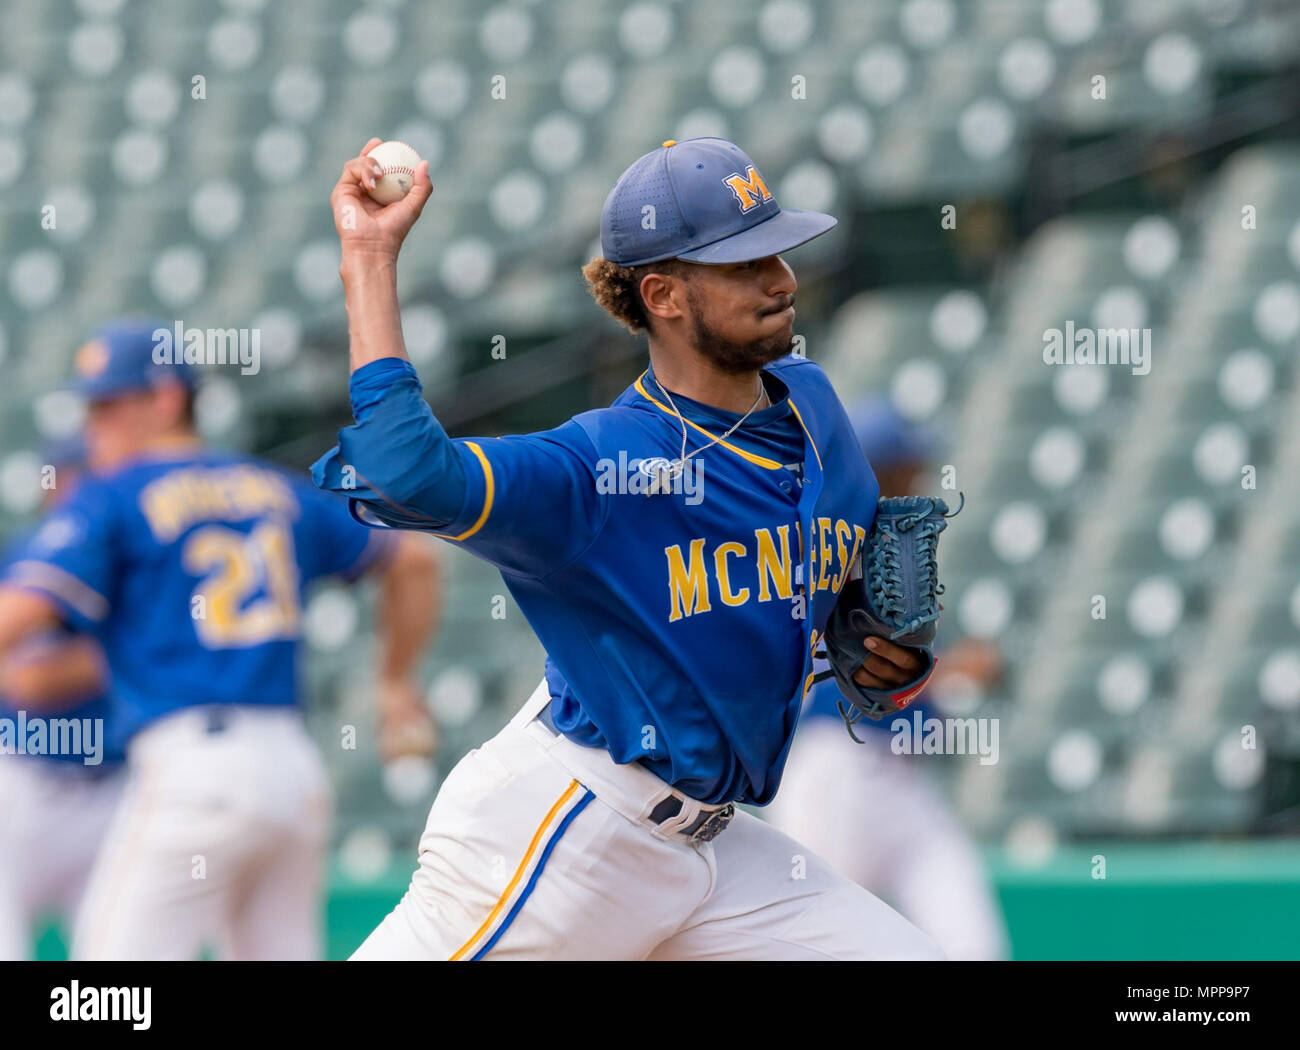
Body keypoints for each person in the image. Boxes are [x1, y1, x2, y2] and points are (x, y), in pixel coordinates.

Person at [312, 135, 944, 959]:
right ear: (664, 295)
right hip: (573, 829)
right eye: (745, 263)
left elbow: (832, 589)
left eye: (779, 252)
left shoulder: (814, 404)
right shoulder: (599, 466)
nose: (783, 279)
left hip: (719, 850)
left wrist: (866, 647)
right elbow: (405, 472)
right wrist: (368, 257)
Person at [0, 319, 442, 960]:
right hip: (292, 773)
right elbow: (414, 560)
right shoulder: (273, 486)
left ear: (166, 397)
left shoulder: (113, 496)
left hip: (192, 771)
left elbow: (18, 617)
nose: (95, 427)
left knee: (103, 992)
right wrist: (396, 682)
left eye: (108, 406)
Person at [765, 398, 1011, 960]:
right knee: (806, 942)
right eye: (903, 464)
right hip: (836, 769)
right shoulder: (824, 537)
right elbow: (850, 663)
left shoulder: (897, 540)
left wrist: (945, 671)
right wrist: (954, 669)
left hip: (903, 780)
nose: (917, 476)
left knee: (972, 943)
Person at [0, 438, 124, 960]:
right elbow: (24, 685)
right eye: (62, 478)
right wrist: (109, 660)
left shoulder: (129, 562)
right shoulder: (27, 556)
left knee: (118, 965)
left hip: (114, 789)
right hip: (23, 783)